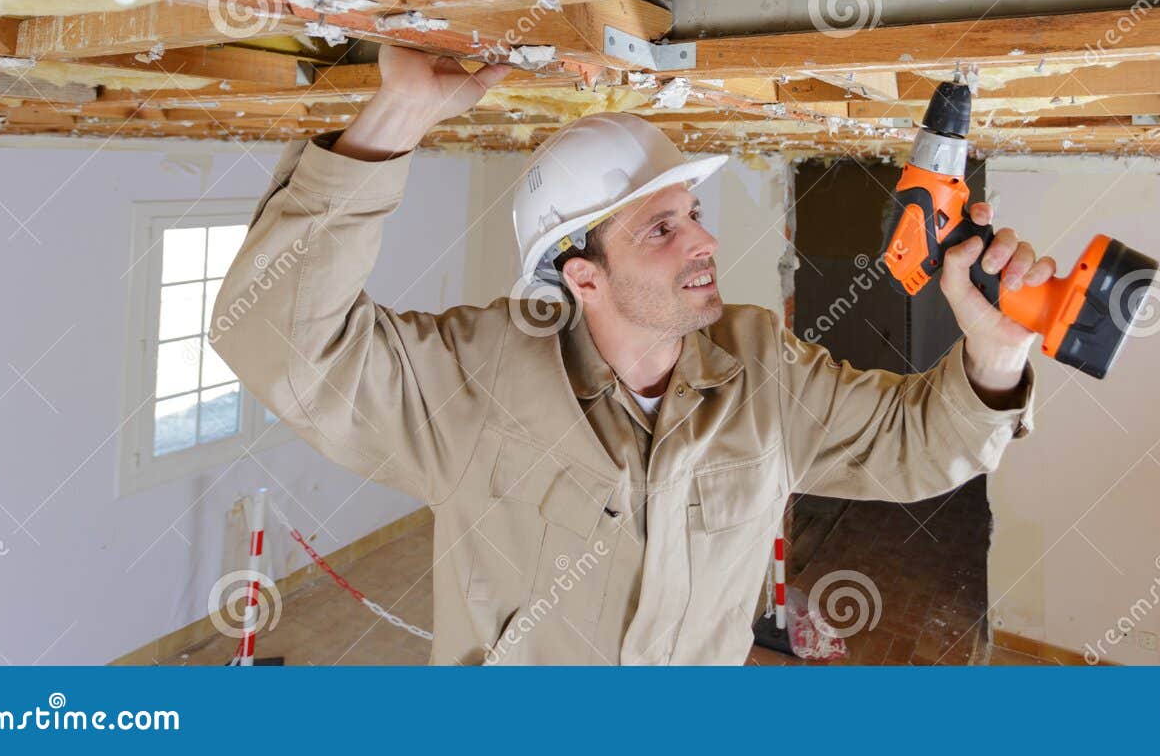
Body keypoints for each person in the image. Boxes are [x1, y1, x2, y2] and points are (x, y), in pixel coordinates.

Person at [211, 45, 1050, 665]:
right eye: (663, 227)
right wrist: (397, 115)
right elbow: (277, 340)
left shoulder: (761, 368)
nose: (706, 240)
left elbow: (916, 443)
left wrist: (994, 353)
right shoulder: (479, 381)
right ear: (584, 276)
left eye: (693, 211)